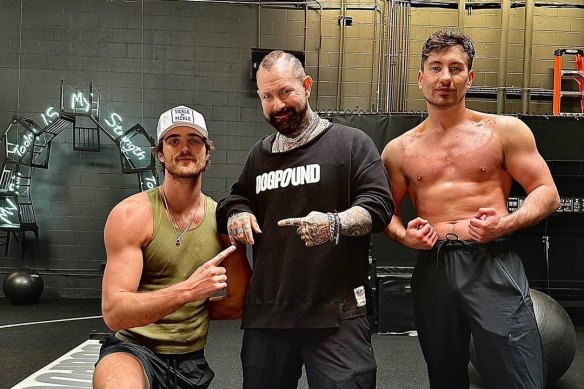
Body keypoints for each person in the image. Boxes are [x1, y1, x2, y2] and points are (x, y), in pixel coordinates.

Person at [381, 29, 560, 389]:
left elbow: (547, 192)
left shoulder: (504, 131)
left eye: (455, 68)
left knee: (518, 373)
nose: (445, 78)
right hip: (433, 266)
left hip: (490, 260)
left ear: (470, 77)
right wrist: (405, 237)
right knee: (444, 374)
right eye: (435, 68)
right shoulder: (398, 150)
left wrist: (507, 223)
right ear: (421, 78)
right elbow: (386, 212)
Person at [216, 50, 394, 389]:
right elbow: (234, 198)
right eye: (267, 96)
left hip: (335, 314)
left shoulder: (350, 143)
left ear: (307, 86)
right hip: (269, 313)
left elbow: (379, 205)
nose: (277, 104)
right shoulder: (260, 154)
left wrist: (334, 223)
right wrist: (237, 212)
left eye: (285, 92)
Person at [93, 105, 251, 389]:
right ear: (160, 153)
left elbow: (238, 302)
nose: (185, 148)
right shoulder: (132, 215)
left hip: (191, 362)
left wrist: (191, 308)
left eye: (194, 140)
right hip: (132, 350)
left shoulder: (222, 222)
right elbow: (115, 312)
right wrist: (187, 292)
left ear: (207, 151)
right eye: (173, 140)